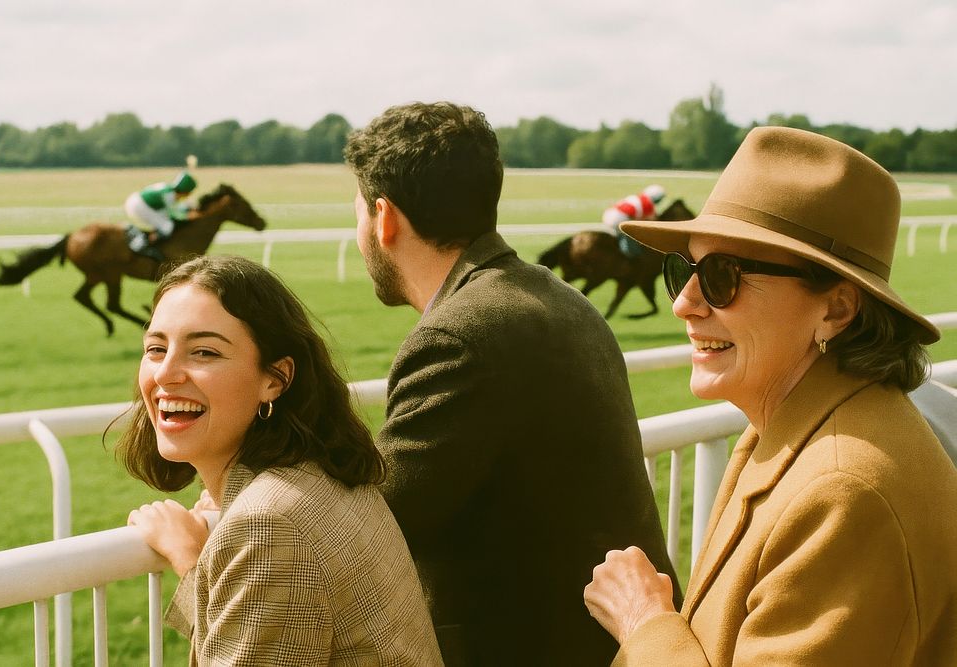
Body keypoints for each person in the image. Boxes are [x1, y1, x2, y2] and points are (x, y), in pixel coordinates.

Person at [584, 126, 957, 665]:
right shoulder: (797, 425)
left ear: (836, 309)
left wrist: (645, 622)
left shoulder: (843, 493)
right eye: (682, 269)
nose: (684, 304)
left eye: (721, 276)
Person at [344, 101, 678, 667]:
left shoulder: (458, 334)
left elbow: (367, 524)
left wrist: (229, 504)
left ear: (384, 218)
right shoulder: (561, 299)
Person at [119, 255, 443, 666]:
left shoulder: (269, 524)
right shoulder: (323, 476)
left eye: (203, 352)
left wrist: (192, 561)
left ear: (275, 379)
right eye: (156, 348)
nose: (166, 373)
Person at [124, 170, 197, 259]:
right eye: (188, 193)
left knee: (163, 221)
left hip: (137, 200)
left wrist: (187, 209)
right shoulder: (169, 195)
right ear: (185, 191)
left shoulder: (169, 188)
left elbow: (176, 206)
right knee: (167, 227)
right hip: (140, 206)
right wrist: (187, 216)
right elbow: (172, 213)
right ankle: (145, 245)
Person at [601, 184, 666, 257]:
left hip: (608, 214)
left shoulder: (638, 197)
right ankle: (629, 254)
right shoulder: (648, 203)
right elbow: (654, 220)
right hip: (619, 218)